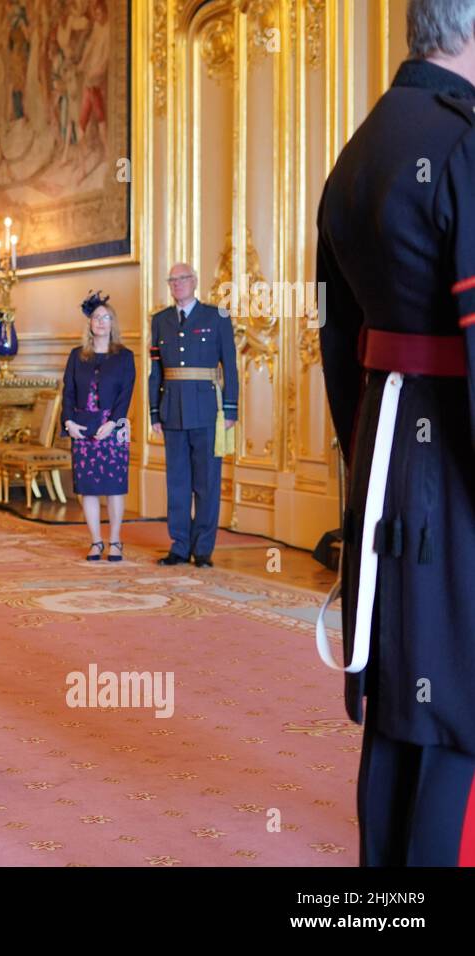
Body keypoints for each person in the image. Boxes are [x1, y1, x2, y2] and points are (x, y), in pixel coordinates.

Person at [317, 0, 475, 866]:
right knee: (458, 709)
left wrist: (362, 458)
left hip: (385, 444)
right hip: (455, 459)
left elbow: (341, 343)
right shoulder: (463, 142)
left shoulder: (358, 150)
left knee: (400, 705)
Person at [147, 262, 238, 568]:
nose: (177, 284)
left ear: (195, 281)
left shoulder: (217, 316)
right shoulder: (159, 320)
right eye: (172, 280)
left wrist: (230, 409)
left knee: (207, 482)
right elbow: (156, 371)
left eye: (183, 279)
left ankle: (203, 549)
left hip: (208, 411)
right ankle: (179, 545)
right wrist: (154, 413)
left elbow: (231, 367)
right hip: (172, 411)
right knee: (177, 483)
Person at [62, 291, 134, 561]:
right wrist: (68, 421)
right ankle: (95, 542)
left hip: (113, 430)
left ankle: (115, 541)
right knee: (88, 488)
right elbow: (68, 392)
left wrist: (113, 423)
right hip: (82, 428)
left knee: (114, 486)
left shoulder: (124, 356)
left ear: (113, 323)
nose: (101, 322)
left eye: (106, 317)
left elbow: (126, 394)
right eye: (96, 318)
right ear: (89, 323)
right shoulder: (76, 355)